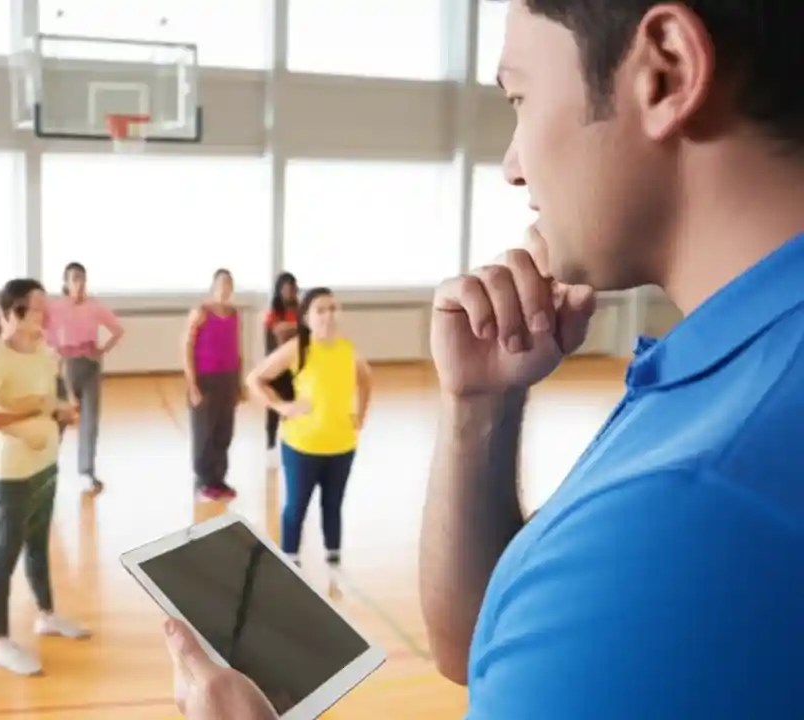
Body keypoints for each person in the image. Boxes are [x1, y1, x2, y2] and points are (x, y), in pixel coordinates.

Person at [163, 0, 804, 717]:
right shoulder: (742, 371)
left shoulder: (687, 513)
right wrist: (478, 408)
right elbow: (477, 648)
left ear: (668, 71)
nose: (511, 166)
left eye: (519, 98)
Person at [0, 278, 91, 677]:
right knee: (5, 552)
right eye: (38, 308)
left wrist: (61, 412)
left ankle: (46, 615)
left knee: (38, 542)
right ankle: (1, 641)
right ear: (13, 313)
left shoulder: (45, 354)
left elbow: (49, 403)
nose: (46, 314)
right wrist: (27, 412)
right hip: (11, 473)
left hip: (45, 463)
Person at [246, 287, 370, 569]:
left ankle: (333, 561)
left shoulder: (348, 350)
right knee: (296, 507)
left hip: (342, 445)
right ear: (307, 318)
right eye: (321, 310)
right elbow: (255, 379)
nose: (328, 315)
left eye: (333, 309)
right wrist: (282, 408)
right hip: (302, 447)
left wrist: (360, 414)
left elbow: (366, 380)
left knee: (333, 506)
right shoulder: (297, 349)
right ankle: (289, 561)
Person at [45, 261, 125, 494]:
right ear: (66, 283)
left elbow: (117, 330)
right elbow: (47, 335)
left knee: (90, 421)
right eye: (74, 279)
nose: (79, 284)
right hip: (66, 366)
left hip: (90, 364)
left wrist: (102, 350)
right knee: (59, 419)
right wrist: (56, 356)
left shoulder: (94, 305)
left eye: (82, 279)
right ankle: (47, 470)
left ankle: (86, 471)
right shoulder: (56, 307)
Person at [182, 269, 244, 502]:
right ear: (213, 286)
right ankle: (203, 482)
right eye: (222, 284)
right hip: (205, 379)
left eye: (230, 284)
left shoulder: (235, 314)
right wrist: (193, 385)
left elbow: (237, 348)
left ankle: (218, 479)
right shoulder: (201, 313)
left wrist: (238, 383)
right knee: (204, 433)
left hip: (227, 378)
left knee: (223, 431)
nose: (225, 289)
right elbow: (186, 347)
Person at [261, 272, 299, 466]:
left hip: (296, 366)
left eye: (292, 288)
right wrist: (291, 328)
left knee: (295, 404)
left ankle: (292, 442)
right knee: (274, 407)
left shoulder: (300, 309)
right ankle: (270, 443)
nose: (289, 292)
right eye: (285, 288)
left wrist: (290, 328)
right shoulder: (273, 313)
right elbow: (277, 333)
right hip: (277, 367)